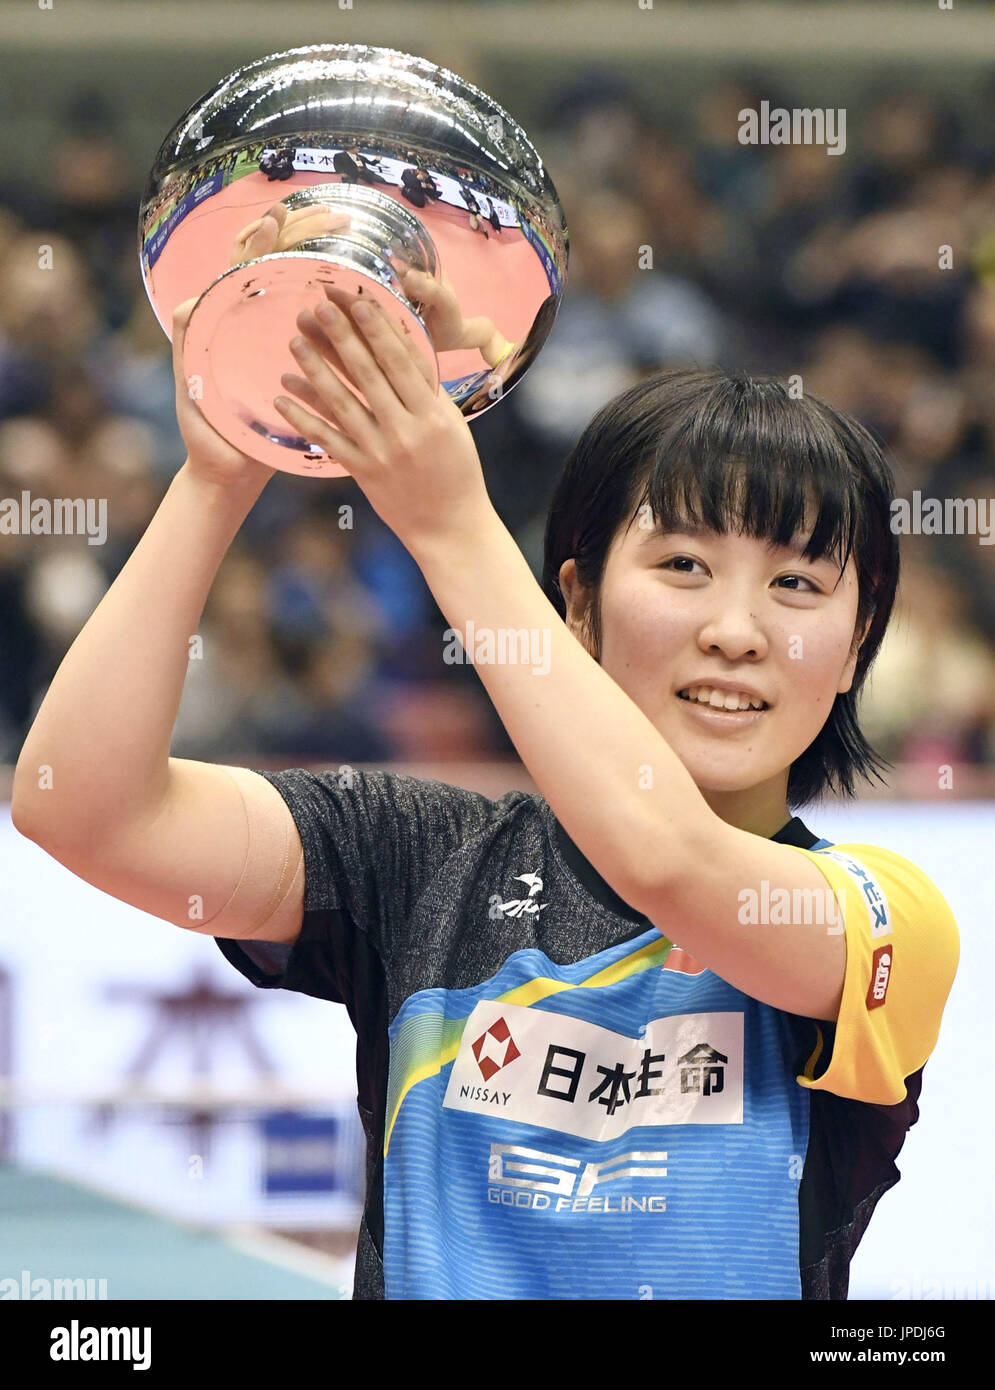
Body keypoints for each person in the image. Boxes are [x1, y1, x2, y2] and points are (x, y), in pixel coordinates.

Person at [12, 235, 959, 1302]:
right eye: (683, 566)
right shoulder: (418, 858)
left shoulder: (884, 922)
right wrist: (222, 468)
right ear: (579, 603)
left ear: (853, 645)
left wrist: (452, 523)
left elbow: (669, 862)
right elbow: (76, 806)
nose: (735, 631)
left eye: (795, 584)